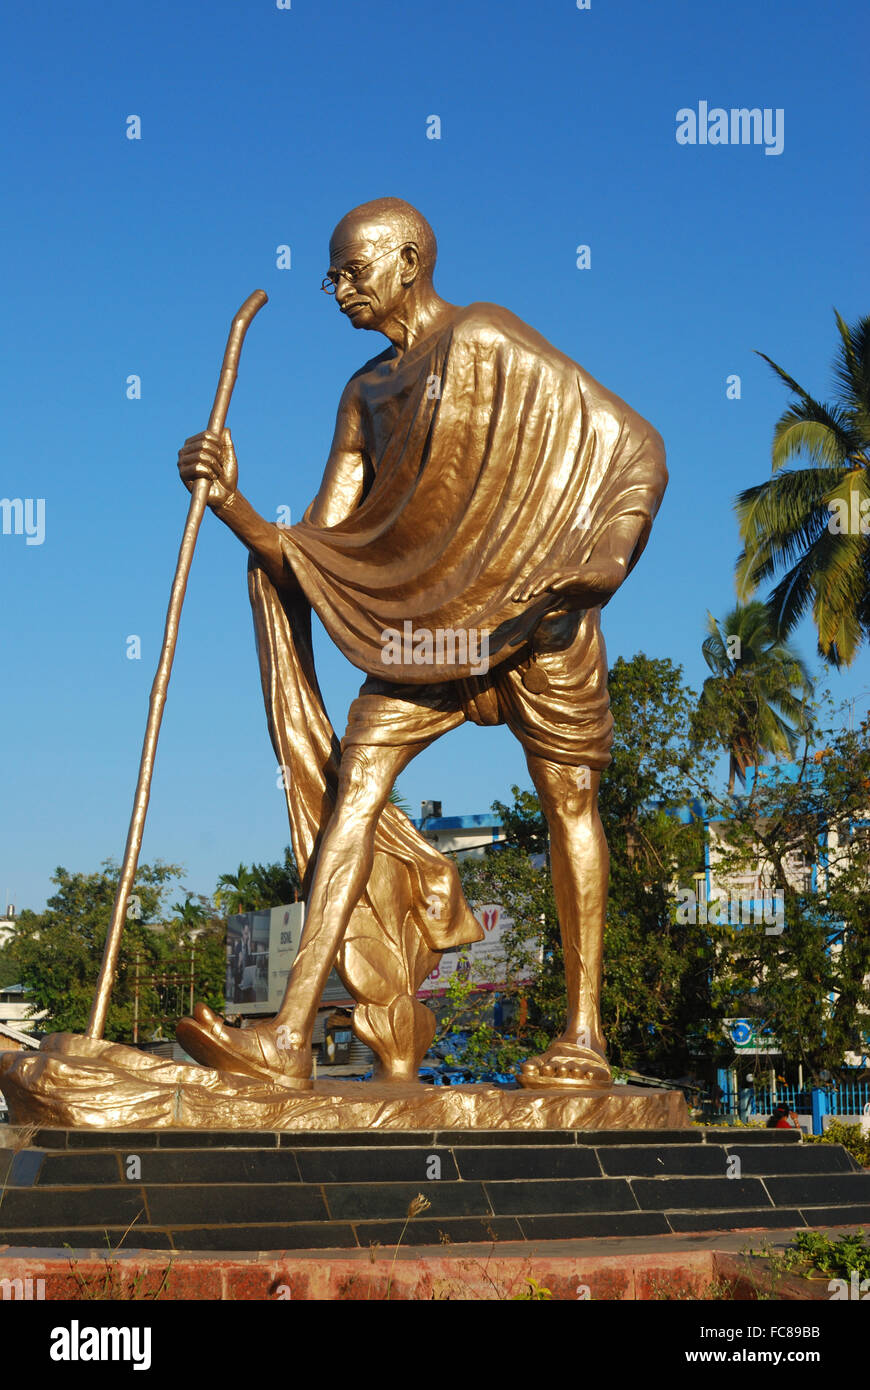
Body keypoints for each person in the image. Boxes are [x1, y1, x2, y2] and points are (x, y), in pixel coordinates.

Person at [175, 198, 667, 1091]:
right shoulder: (364, 394)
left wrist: (602, 562)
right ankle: (288, 1034)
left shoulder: (486, 337)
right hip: (421, 636)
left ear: (408, 261)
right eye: (331, 274)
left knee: (569, 803)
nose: (338, 290)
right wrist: (232, 504)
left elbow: (635, 446)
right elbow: (316, 550)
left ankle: (584, 1036)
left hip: (537, 619)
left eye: (351, 271)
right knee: (351, 791)